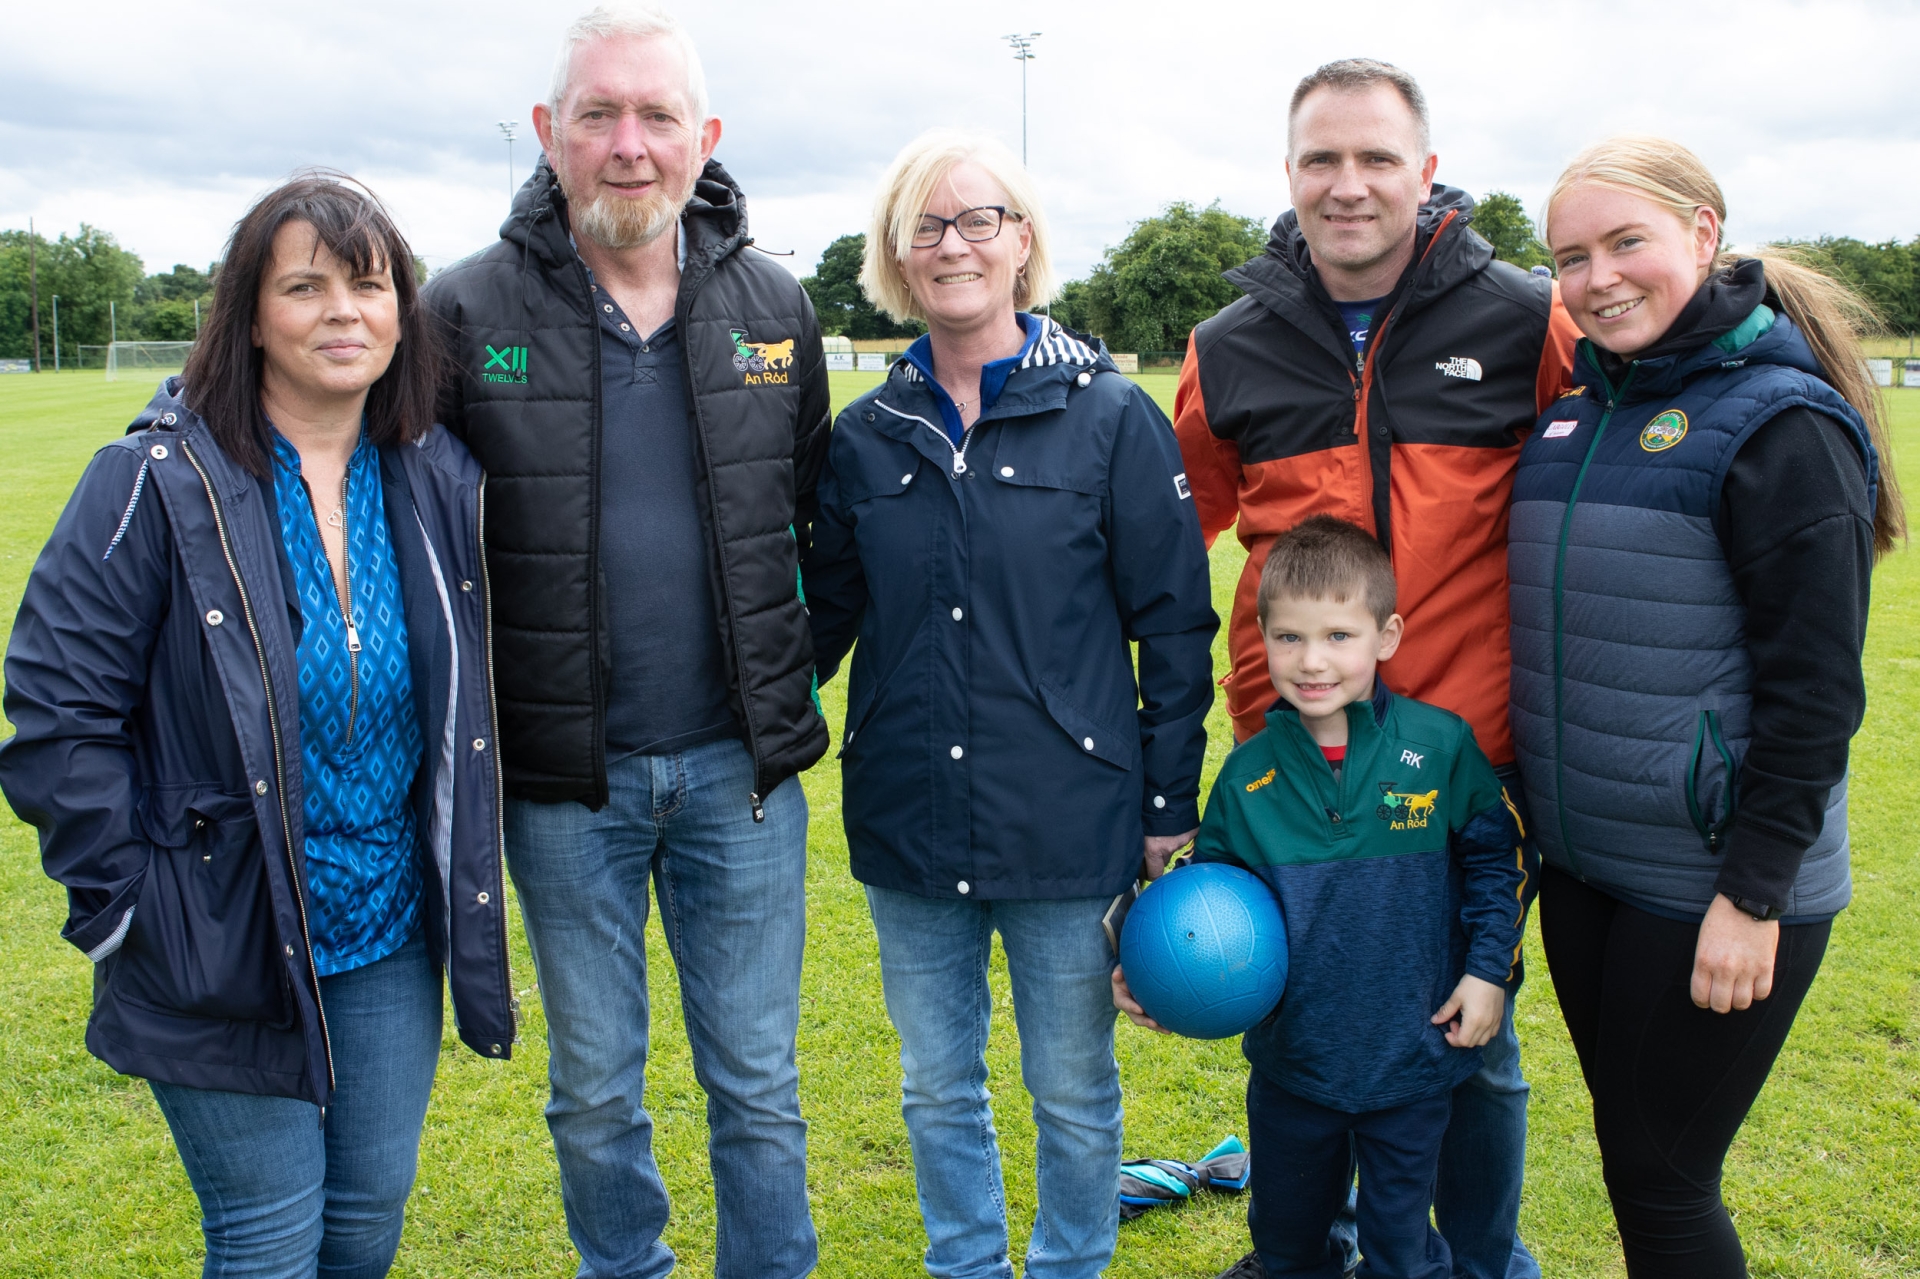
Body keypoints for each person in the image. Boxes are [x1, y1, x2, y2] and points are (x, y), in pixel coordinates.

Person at [0, 173, 513, 1276]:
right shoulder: (152, 479)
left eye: (369, 285)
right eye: (305, 286)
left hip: (385, 930)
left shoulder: (431, 475)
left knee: (366, 1223)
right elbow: (54, 709)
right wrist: (131, 902)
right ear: (250, 315)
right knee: (269, 1240)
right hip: (220, 932)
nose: (343, 311)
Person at [420, 6, 830, 1276]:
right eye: (597, 114)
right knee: (595, 1091)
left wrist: (785, 684)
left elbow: (817, 518)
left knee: (757, 1083)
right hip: (563, 788)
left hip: (736, 781)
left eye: (657, 116)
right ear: (549, 134)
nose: (629, 144)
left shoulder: (774, 303)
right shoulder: (460, 308)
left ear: (703, 138)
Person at [1172, 58, 1579, 1279]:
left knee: (1473, 1038)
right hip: (1288, 771)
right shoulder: (1227, 347)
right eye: (1320, 160)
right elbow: (1158, 543)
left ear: (1427, 170)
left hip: (1466, 765)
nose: (1348, 186)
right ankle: (1313, 1247)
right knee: (1302, 1024)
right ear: (1289, 173)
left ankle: (1477, 1258)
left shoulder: (1527, 318)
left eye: (1376, 158)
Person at [800, 128, 1218, 1279]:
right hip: (906, 814)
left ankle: (1071, 1263)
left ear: (1022, 241)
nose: (953, 244)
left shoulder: (1111, 417)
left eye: (978, 219)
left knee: (1073, 1089)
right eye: (926, 226)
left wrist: (1169, 804)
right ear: (897, 255)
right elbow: (818, 621)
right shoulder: (867, 435)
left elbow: (1176, 622)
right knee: (939, 1088)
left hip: (1070, 817)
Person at [1509, 136, 1904, 1279]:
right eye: (1571, 258)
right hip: (1587, 875)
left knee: (1667, 1184)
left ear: (1704, 234)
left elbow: (1817, 695)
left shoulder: (1782, 424)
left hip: (1712, 890)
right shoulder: (1584, 410)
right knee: (1640, 1165)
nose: (1598, 279)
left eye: (1627, 241)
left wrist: (1751, 894)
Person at [1115, 516, 1529, 1279]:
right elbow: (1204, 910)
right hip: (1294, 1070)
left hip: (1411, 1063)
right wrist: (1147, 966)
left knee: (1404, 1253)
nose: (1312, 661)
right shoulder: (1249, 776)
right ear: (1261, 638)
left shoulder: (1441, 748)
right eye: (1289, 638)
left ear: (1388, 635)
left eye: (1340, 636)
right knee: (1289, 1246)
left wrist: (1487, 971)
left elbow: (1497, 863)